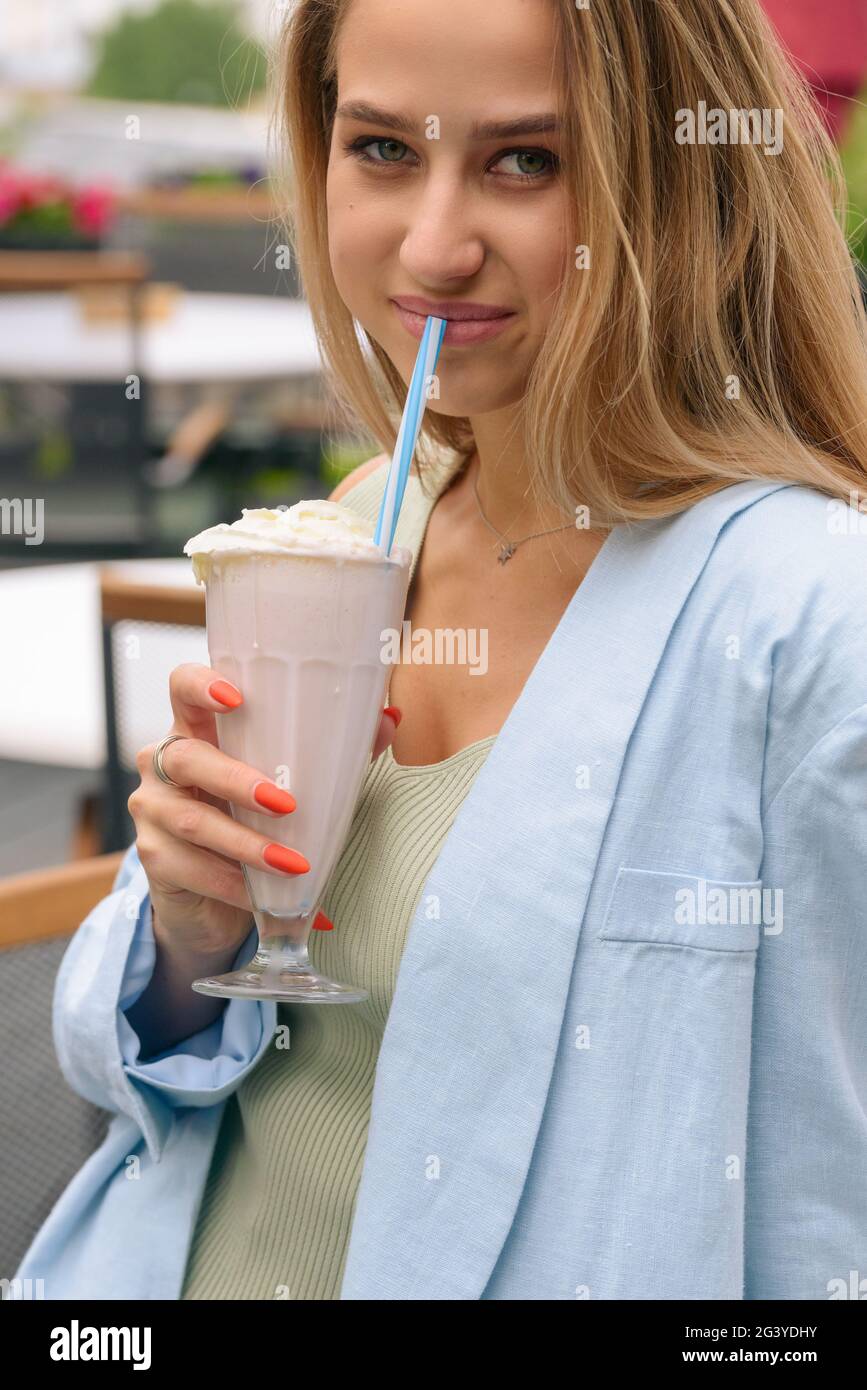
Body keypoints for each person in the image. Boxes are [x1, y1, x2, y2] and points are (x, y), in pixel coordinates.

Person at [12, 0, 867, 1301]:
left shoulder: (804, 614)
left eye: (527, 159)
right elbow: (141, 1067)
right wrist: (189, 930)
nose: (433, 244)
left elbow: (824, 1216)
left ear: (675, 179)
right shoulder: (360, 526)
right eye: (382, 151)